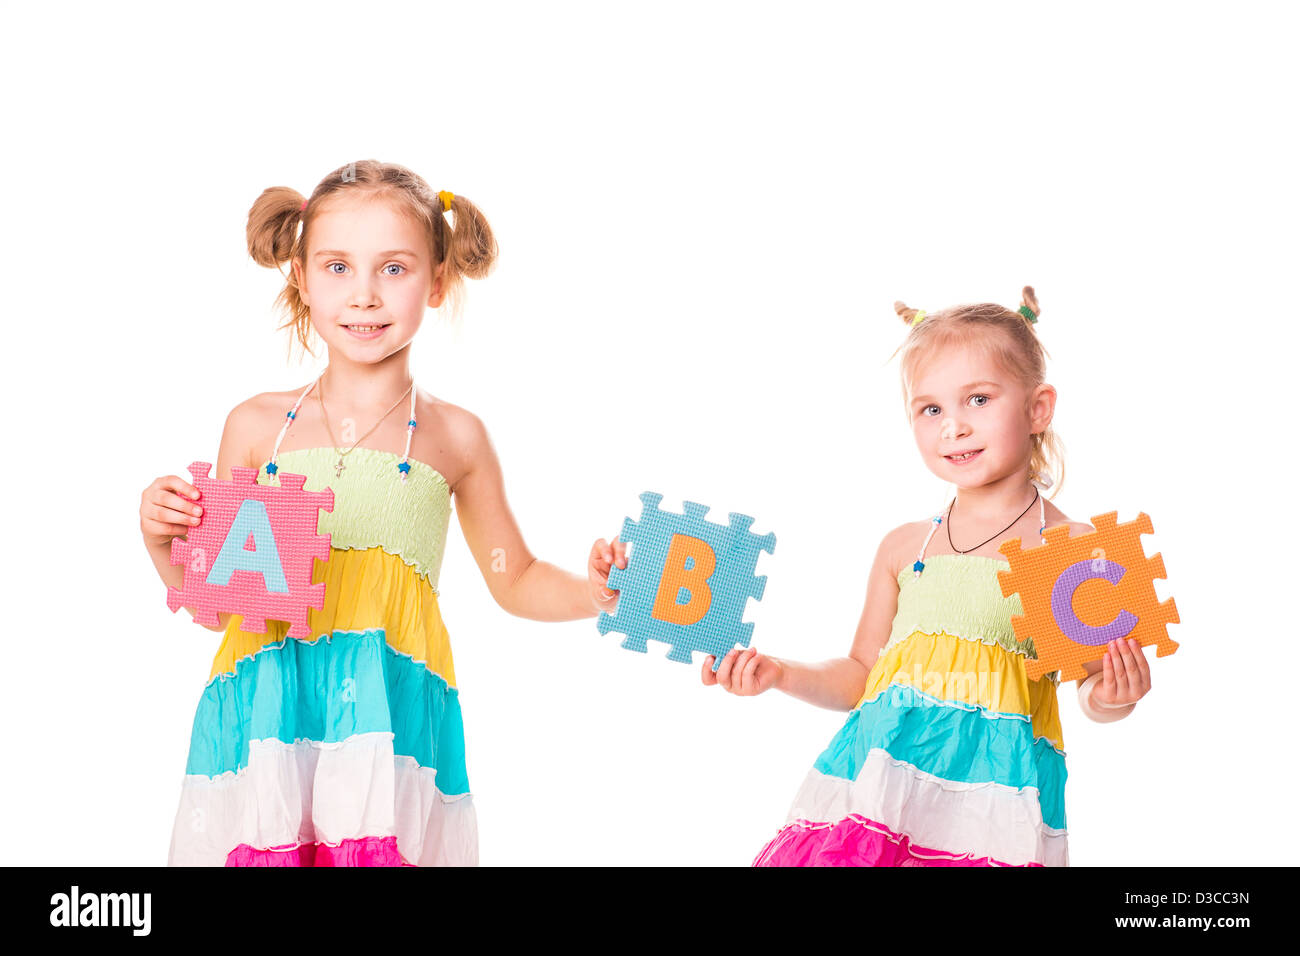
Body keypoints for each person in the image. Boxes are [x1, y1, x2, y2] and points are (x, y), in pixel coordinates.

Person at [139, 159, 627, 866]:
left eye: (393, 269)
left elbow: (513, 576)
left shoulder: (454, 437)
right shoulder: (255, 426)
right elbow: (219, 598)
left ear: (437, 280)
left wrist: (592, 591)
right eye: (337, 267)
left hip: (384, 724)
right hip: (271, 715)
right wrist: (161, 537)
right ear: (302, 278)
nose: (364, 294)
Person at [702, 287, 1152, 866]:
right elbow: (862, 675)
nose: (953, 428)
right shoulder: (904, 546)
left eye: (979, 400)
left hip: (988, 808)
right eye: (931, 409)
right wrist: (781, 672)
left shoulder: (1073, 551)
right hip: (876, 799)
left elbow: (1096, 685)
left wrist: (1116, 697)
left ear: (1038, 408)